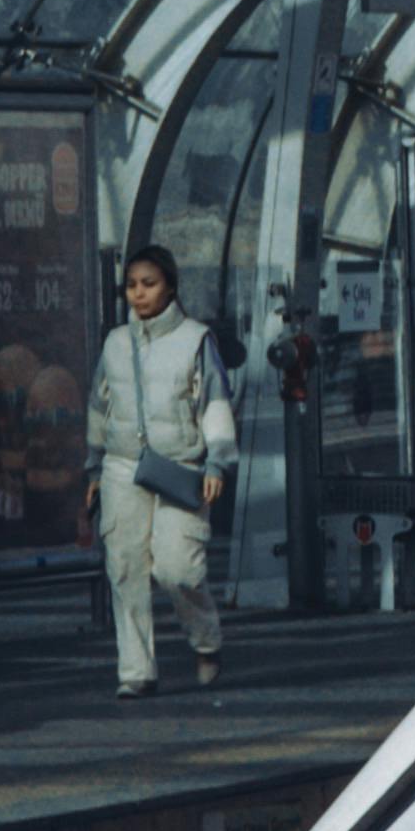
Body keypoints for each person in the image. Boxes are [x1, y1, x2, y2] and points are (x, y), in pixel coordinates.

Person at [85, 243, 236, 694]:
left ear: (170, 286)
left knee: (178, 569)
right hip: (122, 468)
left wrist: (217, 463)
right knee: (126, 568)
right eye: (131, 285)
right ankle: (135, 673)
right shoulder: (115, 343)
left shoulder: (196, 340)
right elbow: (99, 408)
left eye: (148, 284)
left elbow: (215, 404)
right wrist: (93, 469)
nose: (138, 294)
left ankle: (206, 639)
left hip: (181, 466)